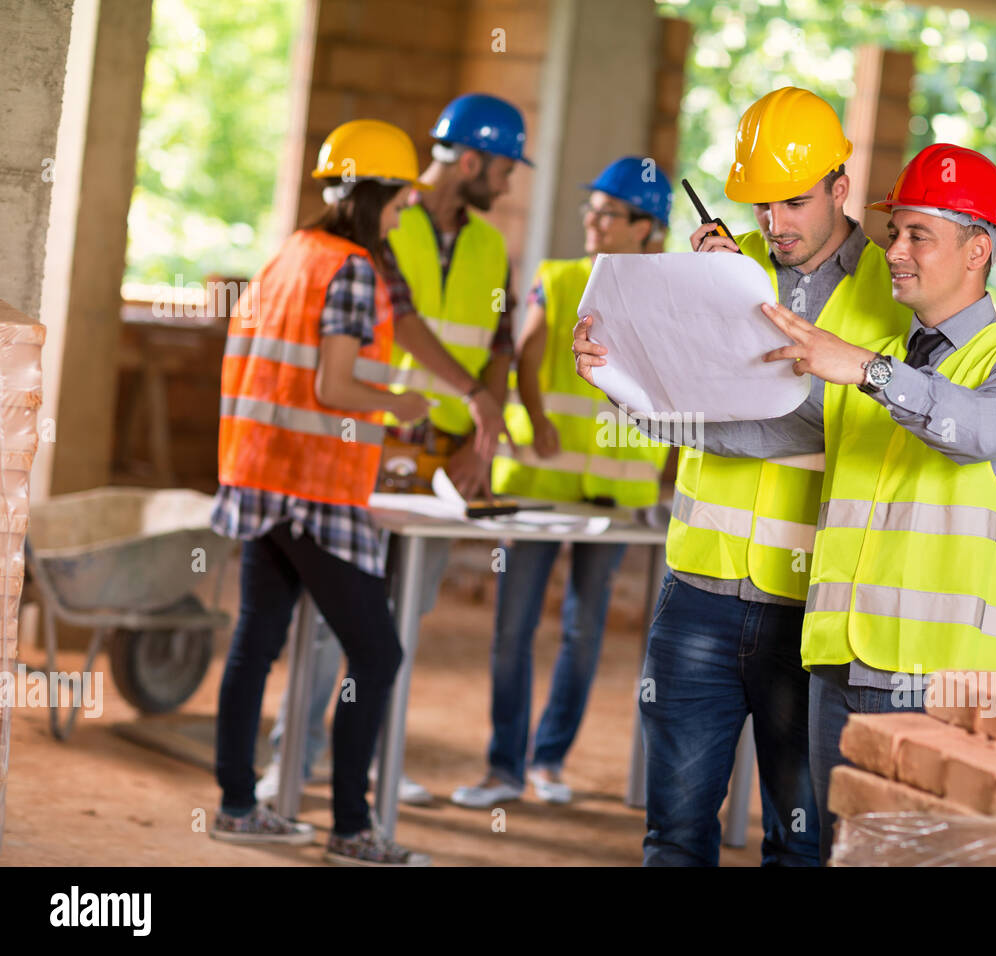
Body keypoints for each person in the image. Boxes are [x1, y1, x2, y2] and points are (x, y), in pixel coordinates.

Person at [584, 143, 996, 863]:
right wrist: (623, 382)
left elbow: (977, 431)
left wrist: (865, 368)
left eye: (919, 235)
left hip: (943, 680)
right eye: (896, 233)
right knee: (828, 856)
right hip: (838, 663)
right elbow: (752, 423)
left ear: (979, 249)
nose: (897, 251)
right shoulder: (872, 362)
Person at [575, 88, 911, 866]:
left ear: (839, 185)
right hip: (698, 595)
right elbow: (664, 416)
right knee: (674, 837)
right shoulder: (725, 276)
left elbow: (831, 423)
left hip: (813, 608)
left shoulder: (892, 295)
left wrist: (711, 406)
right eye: (761, 206)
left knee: (799, 845)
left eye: (793, 201)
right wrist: (615, 372)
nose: (775, 224)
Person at [210, 119, 499, 866]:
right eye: (399, 202)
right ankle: (352, 830)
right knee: (376, 655)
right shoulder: (351, 269)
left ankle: (238, 809)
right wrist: (400, 407)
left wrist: (387, 408)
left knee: (254, 645)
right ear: (372, 196)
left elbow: (300, 373)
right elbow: (335, 382)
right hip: (311, 491)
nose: (404, 213)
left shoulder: (291, 256)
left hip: (261, 475)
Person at [255, 94, 526, 806]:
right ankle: (294, 759)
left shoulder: (491, 246)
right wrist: (472, 393)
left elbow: (498, 345)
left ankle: (376, 759)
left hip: (439, 458)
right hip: (365, 443)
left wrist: (482, 429)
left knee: (405, 614)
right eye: (504, 168)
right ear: (470, 160)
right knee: (332, 612)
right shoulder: (384, 226)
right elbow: (401, 323)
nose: (508, 184)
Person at [448, 158, 673, 808]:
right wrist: (538, 418)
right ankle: (503, 769)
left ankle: (547, 763)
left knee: (585, 631)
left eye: (607, 212)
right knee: (514, 627)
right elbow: (525, 355)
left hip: (619, 492)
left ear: (645, 228)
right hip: (543, 482)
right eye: (591, 208)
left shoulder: (665, 291)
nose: (592, 220)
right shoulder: (561, 276)